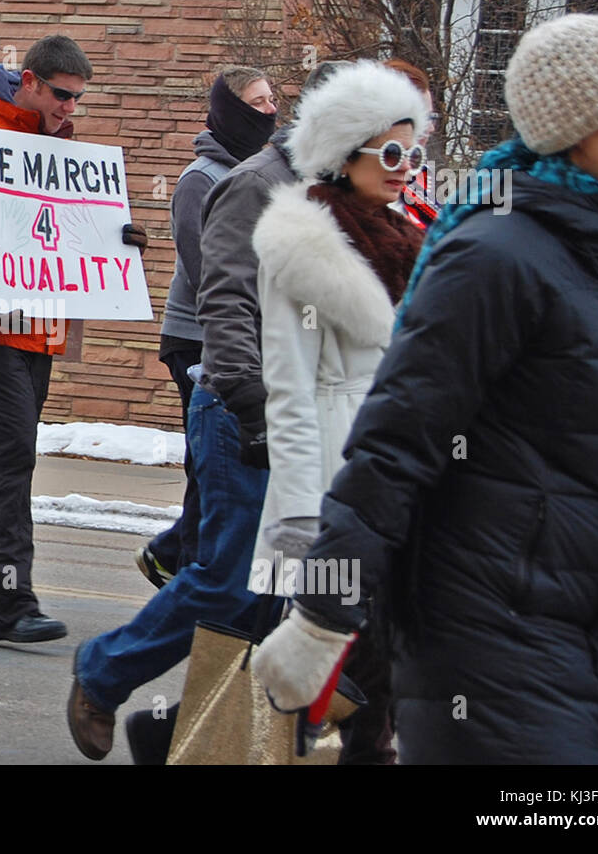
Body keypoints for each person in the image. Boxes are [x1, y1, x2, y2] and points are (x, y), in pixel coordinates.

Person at [254, 13, 598, 764]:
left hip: (574, 627)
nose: (410, 163)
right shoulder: (492, 253)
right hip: (479, 625)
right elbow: (394, 432)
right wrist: (319, 607)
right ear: (578, 123)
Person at [70, 61, 347, 763]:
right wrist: (253, 410)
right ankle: (104, 672)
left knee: (278, 590)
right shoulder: (250, 184)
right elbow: (223, 300)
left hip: (308, 414)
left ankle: (190, 734)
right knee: (226, 578)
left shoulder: (338, 195)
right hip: (238, 408)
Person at [0, 34, 146, 643]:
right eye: (63, 96)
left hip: (38, 329)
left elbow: (62, 237)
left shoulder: (64, 156)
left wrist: (116, 240)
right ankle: (11, 602)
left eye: (78, 101)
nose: (70, 109)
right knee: (11, 451)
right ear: (31, 81)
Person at [249, 60, 428, 764]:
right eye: (389, 152)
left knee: (376, 665)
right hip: (332, 475)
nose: (405, 167)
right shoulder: (302, 246)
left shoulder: (409, 239)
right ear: (342, 155)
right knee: (340, 664)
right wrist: (299, 523)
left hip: (396, 475)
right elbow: (289, 392)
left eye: (412, 153)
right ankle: (187, 735)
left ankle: (176, 734)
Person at [137, 66, 277, 589]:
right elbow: (209, 272)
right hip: (199, 337)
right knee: (212, 462)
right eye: (258, 102)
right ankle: (192, 570)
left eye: (272, 100)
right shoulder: (203, 179)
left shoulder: (265, 173)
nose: (270, 111)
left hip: (244, 335)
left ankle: (176, 555)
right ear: (232, 111)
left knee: (215, 467)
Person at [382, 58, 438, 229]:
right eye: (422, 118)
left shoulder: (418, 179)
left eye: (432, 117)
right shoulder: (375, 186)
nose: (431, 128)